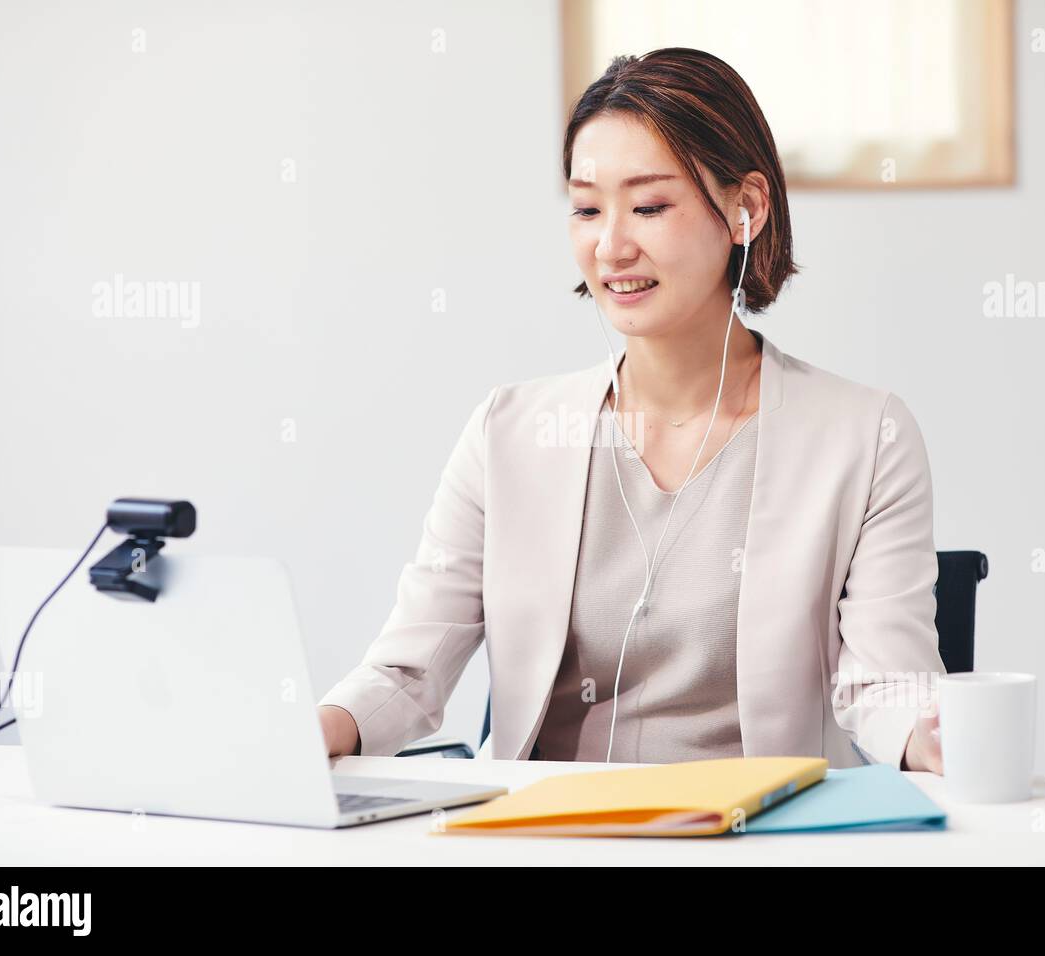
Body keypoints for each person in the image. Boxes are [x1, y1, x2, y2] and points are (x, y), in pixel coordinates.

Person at [320, 48, 945, 773]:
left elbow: (884, 687)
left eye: (649, 206)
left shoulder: (863, 436)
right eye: (586, 208)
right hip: (543, 835)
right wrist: (309, 733)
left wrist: (936, 736)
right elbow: (406, 673)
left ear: (746, 208)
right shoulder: (510, 431)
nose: (611, 245)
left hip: (754, 837)